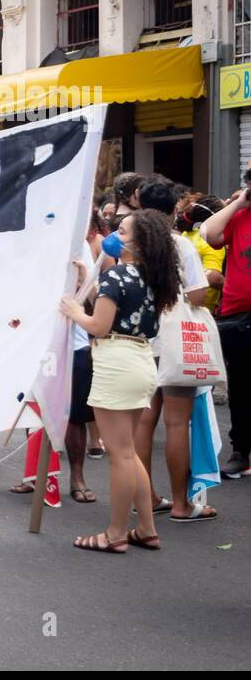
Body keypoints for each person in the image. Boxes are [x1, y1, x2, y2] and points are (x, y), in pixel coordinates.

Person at [59, 209, 178, 552]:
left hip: (116, 363)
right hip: (141, 362)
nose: (115, 234)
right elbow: (119, 312)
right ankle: (146, 528)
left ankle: (115, 533)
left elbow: (97, 325)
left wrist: (74, 311)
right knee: (128, 453)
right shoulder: (151, 276)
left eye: (123, 232)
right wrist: (88, 284)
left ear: (139, 243)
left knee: (121, 455)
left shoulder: (117, 276)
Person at [132, 176, 211, 521]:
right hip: (177, 341)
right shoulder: (182, 246)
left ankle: (145, 497)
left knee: (143, 423)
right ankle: (181, 504)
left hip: (141, 341)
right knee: (178, 424)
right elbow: (198, 295)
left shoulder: (133, 246)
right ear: (174, 208)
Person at [202, 168, 251, 478]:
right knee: (242, 389)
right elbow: (208, 233)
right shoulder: (239, 216)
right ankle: (240, 451)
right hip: (236, 315)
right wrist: (239, 202)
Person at [178, 193, 226, 313]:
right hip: (204, 310)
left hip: (184, 304)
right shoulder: (210, 241)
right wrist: (234, 286)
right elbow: (213, 277)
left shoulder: (187, 234)